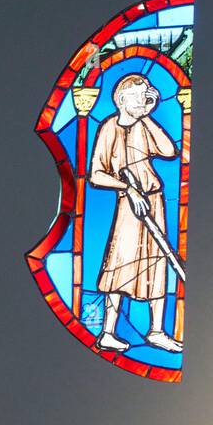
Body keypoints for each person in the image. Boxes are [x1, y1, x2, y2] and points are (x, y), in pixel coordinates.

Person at [88, 73, 182, 354]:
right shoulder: (108, 128)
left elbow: (168, 151)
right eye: (140, 97)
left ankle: (156, 331)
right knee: (120, 262)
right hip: (129, 205)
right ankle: (107, 332)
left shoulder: (145, 125)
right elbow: (96, 174)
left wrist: (148, 116)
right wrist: (128, 189)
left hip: (153, 201)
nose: (144, 101)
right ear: (122, 99)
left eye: (147, 97)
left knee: (156, 261)